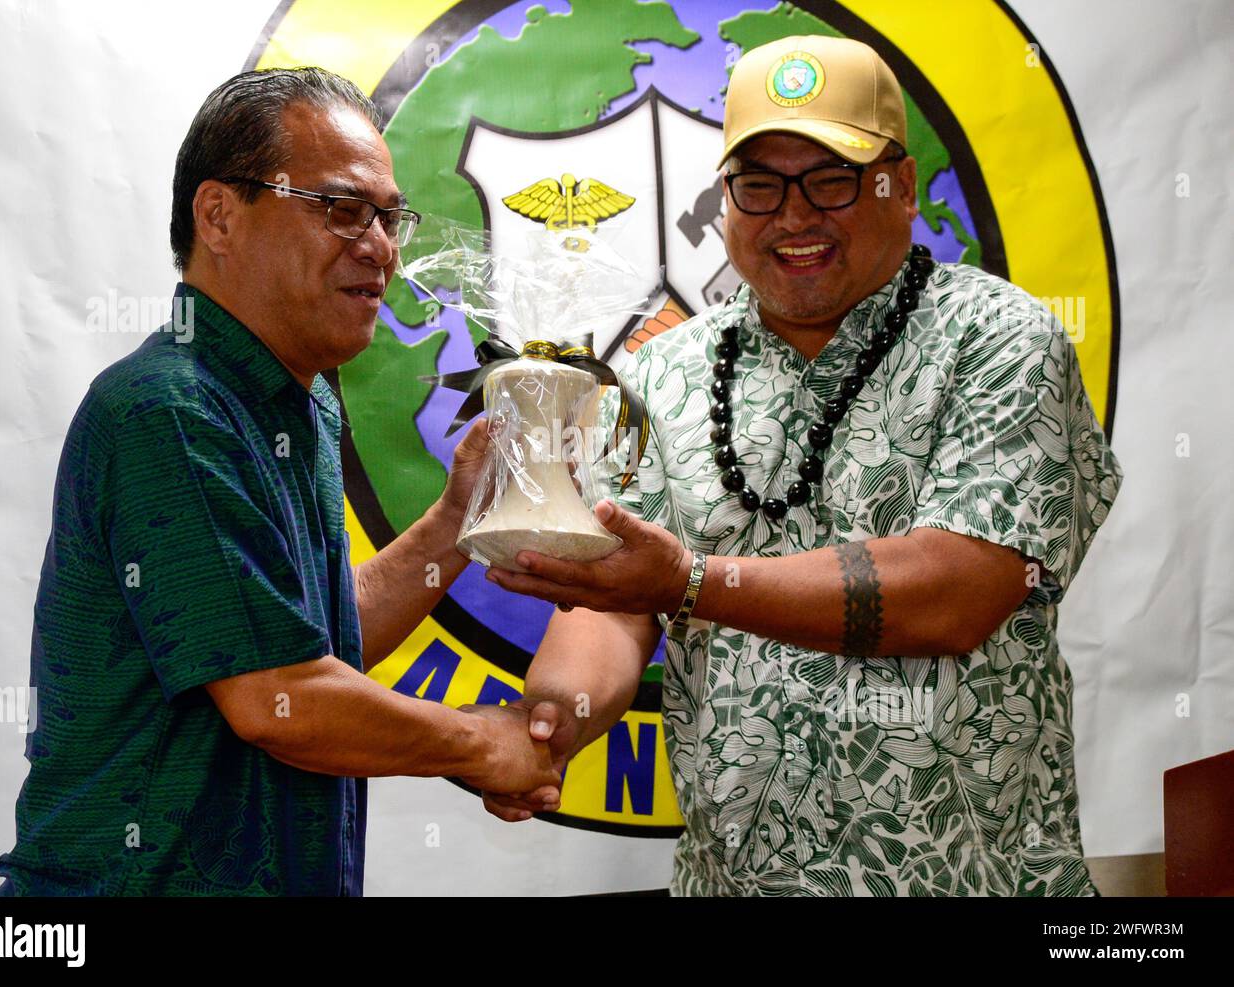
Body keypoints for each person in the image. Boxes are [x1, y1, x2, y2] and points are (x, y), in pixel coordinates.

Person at [476, 35, 1123, 896]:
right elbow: (614, 606)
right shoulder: (659, 372)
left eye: (832, 178)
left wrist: (693, 582)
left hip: (972, 875)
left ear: (900, 182)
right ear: (725, 197)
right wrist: (549, 727)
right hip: (736, 877)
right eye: (761, 183)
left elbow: (959, 589)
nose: (794, 216)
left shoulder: (1000, 339)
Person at [0, 67, 558, 896]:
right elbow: (277, 695)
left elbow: (304, 640)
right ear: (220, 215)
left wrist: (456, 523)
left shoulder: (301, 405)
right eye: (341, 209)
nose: (381, 246)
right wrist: (483, 743)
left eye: (389, 216)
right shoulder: (168, 410)